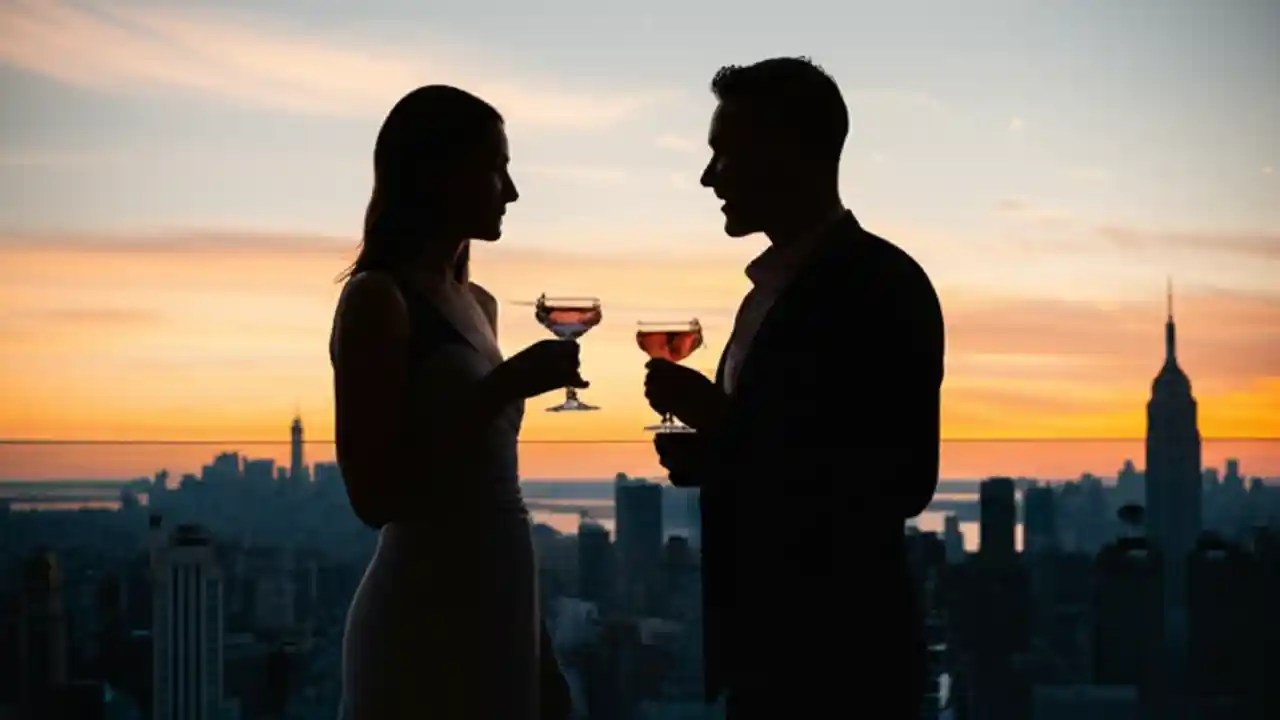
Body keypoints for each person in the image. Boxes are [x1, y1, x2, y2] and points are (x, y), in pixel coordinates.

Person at [644, 57, 945, 718]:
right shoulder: (769, 294)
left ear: (785, 153)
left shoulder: (883, 285)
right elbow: (791, 449)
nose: (707, 176)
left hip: (839, 665)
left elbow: (901, 480)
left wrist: (722, 428)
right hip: (765, 659)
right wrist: (712, 457)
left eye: (724, 153)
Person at [330, 85, 578, 720]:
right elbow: (374, 497)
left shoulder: (481, 303)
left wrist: (536, 645)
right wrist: (504, 386)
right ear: (440, 173)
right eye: (497, 168)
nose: (512, 191)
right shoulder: (377, 301)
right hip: (421, 616)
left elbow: (492, 488)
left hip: (500, 608)